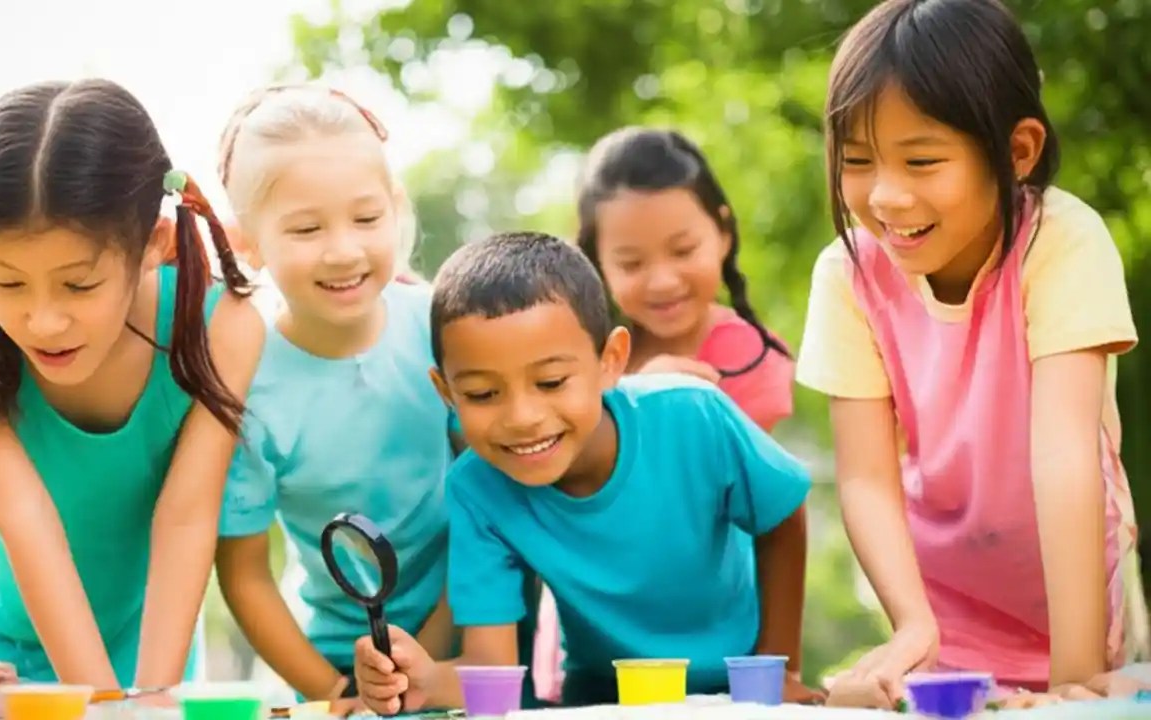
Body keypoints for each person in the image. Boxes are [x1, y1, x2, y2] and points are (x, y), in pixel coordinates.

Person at [797, 0, 1144, 707]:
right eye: (857, 162)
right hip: (940, 616)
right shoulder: (848, 274)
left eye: (922, 161)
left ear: (1017, 152)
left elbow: (1065, 457)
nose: (886, 196)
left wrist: (1075, 675)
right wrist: (912, 625)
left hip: (1076, 612)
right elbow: (865, 477)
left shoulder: (1061, 243)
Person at [353, 232, 818, 713]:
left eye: (551, 382)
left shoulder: (693, 413)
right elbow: (492, 669)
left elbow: (783, 513)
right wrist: (424, 681)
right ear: (446, 391)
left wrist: (780, 669)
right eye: (482, 394)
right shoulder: (477, 488)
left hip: (734, 679)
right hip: (601, 692)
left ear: (610, 361)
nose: (522, 417)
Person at [0, 79, 264, 689]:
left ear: (152, 244)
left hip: (144, 644)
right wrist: (99, 702)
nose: (43, 321)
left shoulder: (222, 326)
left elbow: (185, 517)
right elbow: (25, 519)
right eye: (8, 283)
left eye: (79, 284)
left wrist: (146, 697)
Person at [213, 84, 456, 714]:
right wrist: (333, 691)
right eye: (306, 228)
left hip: (468, 643)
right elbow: (244, 572)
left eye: (367, 219)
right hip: (333, 663)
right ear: (248, 242)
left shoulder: (443, 329)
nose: (343, 250)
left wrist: (427, 663)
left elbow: (492, 508)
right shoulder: (246, 385)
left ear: (395, 209)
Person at [576, 126, 793, 432]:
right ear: (596, 263)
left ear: (723, 233)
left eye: (684, 250)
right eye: (631, 264)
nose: (663, 282)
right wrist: (635, 395)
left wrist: (652, 404)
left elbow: (727, 461)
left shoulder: (752, 358)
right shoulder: (579, 354)